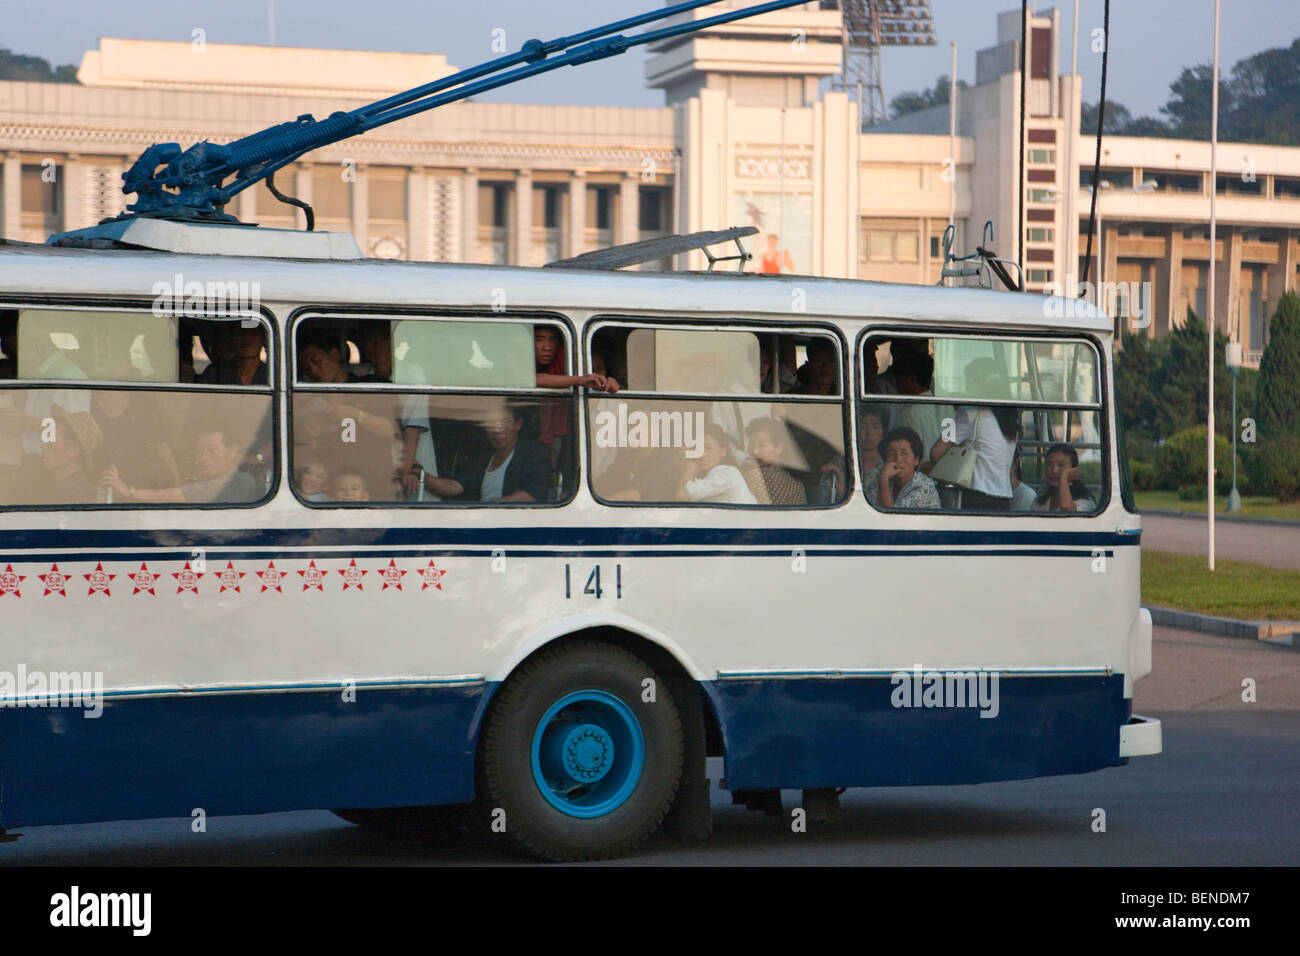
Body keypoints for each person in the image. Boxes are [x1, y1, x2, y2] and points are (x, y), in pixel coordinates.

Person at [929, 359, 1019, 511]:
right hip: (1004, 500)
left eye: (968, 381)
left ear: (976, 384)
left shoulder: (969, 412)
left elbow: (936, 452)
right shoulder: (1012, 421)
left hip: (974, 497)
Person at [422, 403, 550, 503]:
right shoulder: (485, 456)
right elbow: (455, 487)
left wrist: (491, 506)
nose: (497, 430)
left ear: (518, 424)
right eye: (490, 424)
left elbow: (534, 493)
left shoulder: (533, 453)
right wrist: (421, 474)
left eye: (504, 422)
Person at [99, 424, 261, 504]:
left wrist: (128, 491)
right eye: (200, 451)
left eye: (212, 450)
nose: (203, 457)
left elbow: (182, 494)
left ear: (233, 451)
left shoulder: (241, 481)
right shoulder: (210, 479)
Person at [677, 424, 756, 505]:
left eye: (708, 448)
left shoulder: (725, 472)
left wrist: (690, 466)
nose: (702, 454)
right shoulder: (704, 475)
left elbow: (682, 496)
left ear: (723, 451)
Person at [864, 427, 940, 510]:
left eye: (904, 453)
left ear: (916, 460)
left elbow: (891, 518)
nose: (898, 459)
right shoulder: (884, 480)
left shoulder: (924, 488)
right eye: (891, 454)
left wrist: (884, 479)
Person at [743, 416, 806, 505]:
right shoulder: (794, 474)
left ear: (778, 448)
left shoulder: (755, 474)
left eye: (761, 445)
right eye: (751, 444)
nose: (754, 451)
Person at [598, 443, 683, 503]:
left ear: (658, 430)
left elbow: (632, 496)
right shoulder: (625, 457)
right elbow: (603, 483)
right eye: (633, 424)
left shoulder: (664, 460)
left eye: (644, 425)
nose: (637, 431)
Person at [1032, 444, 1097, 513]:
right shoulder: (1038, 502)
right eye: (1049, 464)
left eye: (1061, 465)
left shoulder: (1085, 502)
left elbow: (1067, 508)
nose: (1054, 471)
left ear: (1073, 469)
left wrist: (1064, 476)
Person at [198, 323, 268, 386]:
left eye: (253, 332)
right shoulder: (215, 373)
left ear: (264, 339)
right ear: (232, 337)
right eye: (241, 332)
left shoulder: (271, 375)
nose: (246, 337)